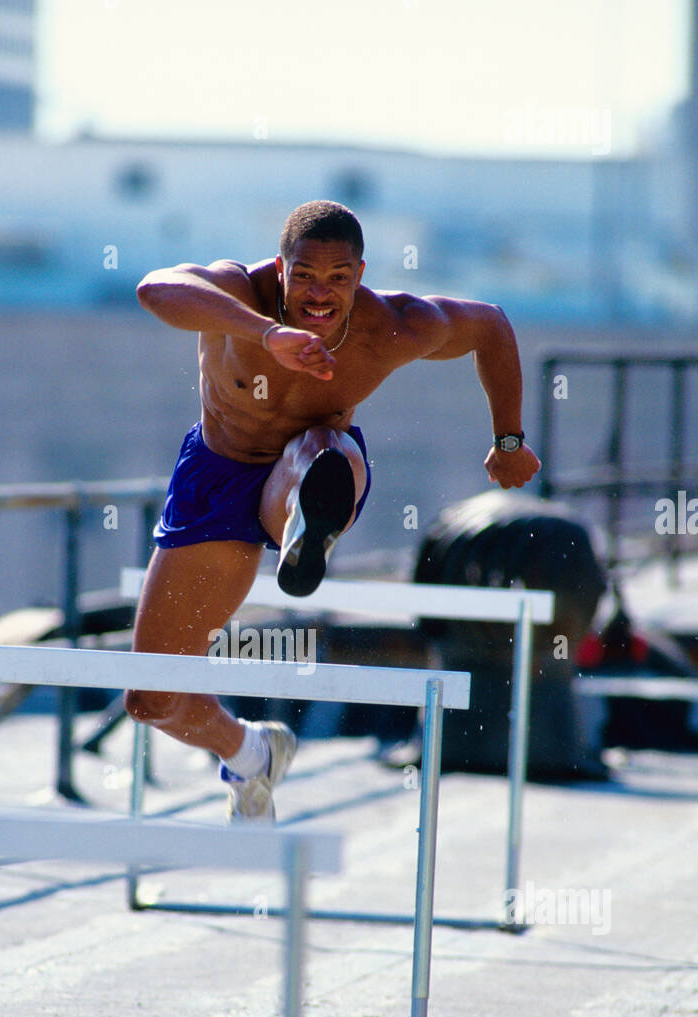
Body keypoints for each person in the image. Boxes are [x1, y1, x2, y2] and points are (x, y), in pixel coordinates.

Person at [127, 200, 541, 821]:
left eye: (339, 279)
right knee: (152, 699)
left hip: (313, 468)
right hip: (217, 476)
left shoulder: (394, 326)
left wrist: (508, 440)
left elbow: (490, 325)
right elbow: (155, 289)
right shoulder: (239, 290)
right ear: (280, 267)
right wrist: (266, 333)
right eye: (305, 277)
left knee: (318, 448)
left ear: (361, 274)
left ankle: (307, 522)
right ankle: (250, 752)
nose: (321, 296)